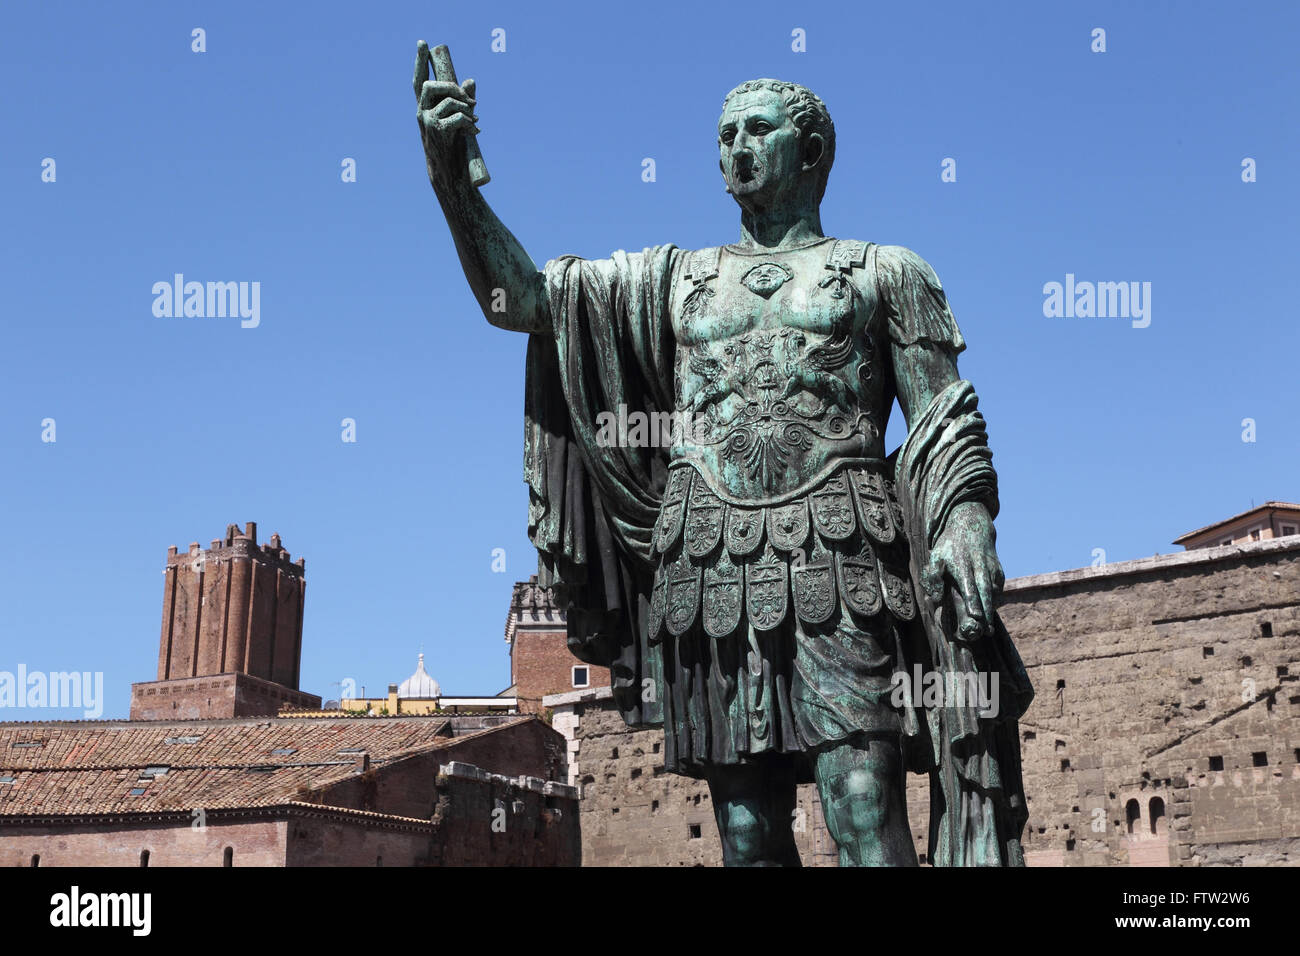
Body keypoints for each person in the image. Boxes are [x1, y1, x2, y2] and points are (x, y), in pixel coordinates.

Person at [414, 42, 1032, 866]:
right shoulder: (675, 281)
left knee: (860, 803)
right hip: (710, 567)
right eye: (724, 134)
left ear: (811, 152)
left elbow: (942, 415)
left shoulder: (885, 271)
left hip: (842, 554)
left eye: (757, 130)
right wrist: (453, 184)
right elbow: (520, 301)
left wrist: (963, 522)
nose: (735, 148)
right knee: (744, 834)